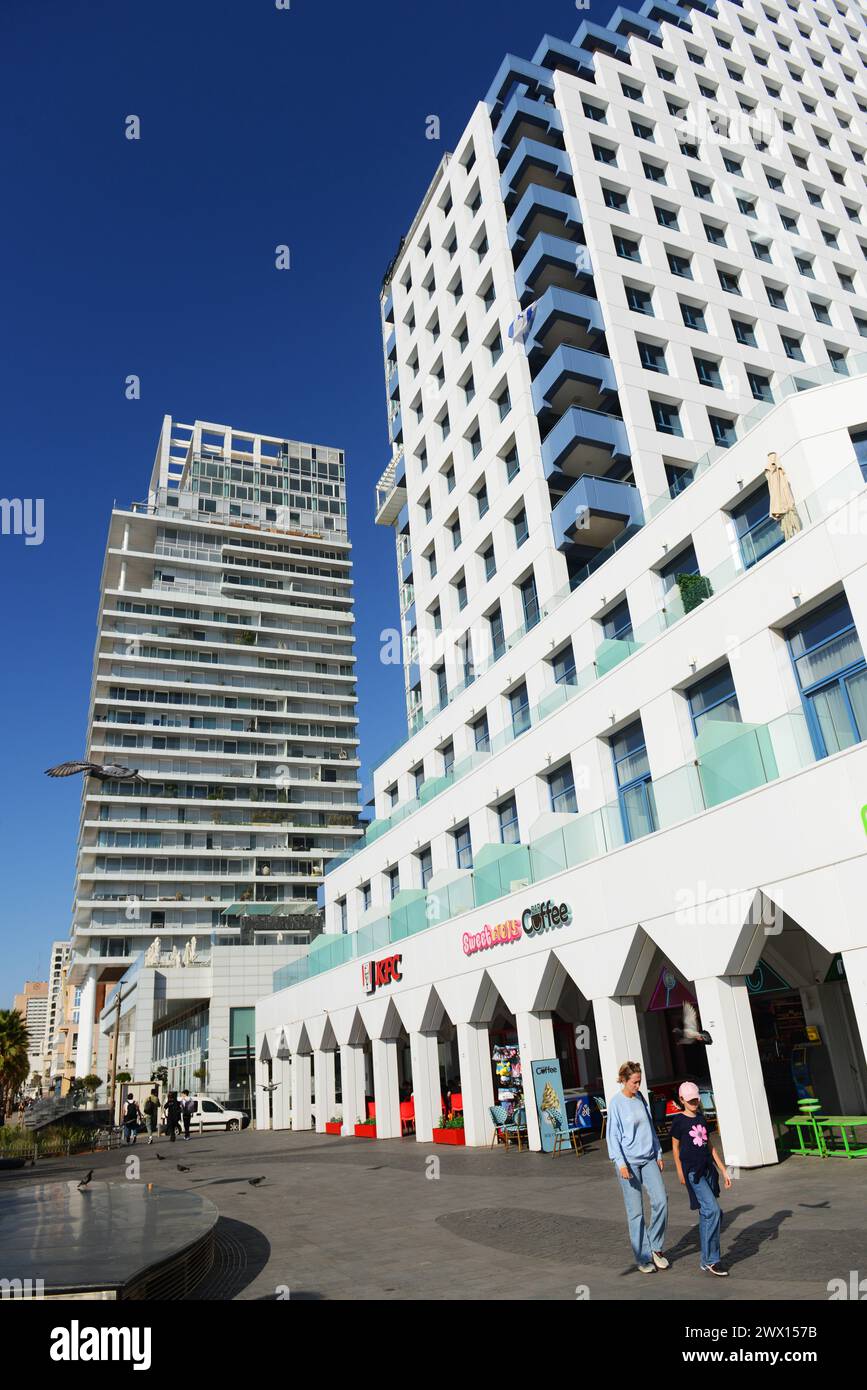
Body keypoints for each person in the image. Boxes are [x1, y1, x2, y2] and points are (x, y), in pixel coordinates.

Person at [606, 1061, 669, 1274]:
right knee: (636, 1212)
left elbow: (649, 1126)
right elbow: (612, 1136)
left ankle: (655, 1247)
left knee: (661, 1201)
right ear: (624, 1080)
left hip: (649, 1158)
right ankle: (642, 1257)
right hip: (629, 1162)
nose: (638, 1085)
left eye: (640, 1081)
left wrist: (658, 1152)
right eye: (634, 1082)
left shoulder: (641, 1098)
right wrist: (620, 1162)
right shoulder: (616, 1103)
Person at [670, 1081, 732, 1277]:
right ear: (682, 1100)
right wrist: (680, 1172)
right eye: (690, 1100)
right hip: (692, 1172)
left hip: (708, 1171)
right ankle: (713, 1259)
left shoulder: (701, 1118)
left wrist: (723, 1169)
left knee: (709, 1214)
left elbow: (709, 1146)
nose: (695, 1102)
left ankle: (706, 1260)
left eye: (696, 1098)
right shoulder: (679, 1121)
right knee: (713, 1210)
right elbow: (675, 1148)